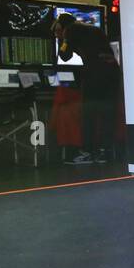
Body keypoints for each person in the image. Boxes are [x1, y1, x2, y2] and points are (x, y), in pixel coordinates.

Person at [51, 13, 120, 165]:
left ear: (63, 26)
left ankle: (88, 152)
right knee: (107, 114)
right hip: (112, 74)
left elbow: (65, 56)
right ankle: (105, 152)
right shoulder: (93, 29)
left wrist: (61, 39)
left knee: (89, 114)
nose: (57, 33)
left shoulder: (70, 30)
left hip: (95, 75)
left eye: (57, 30)